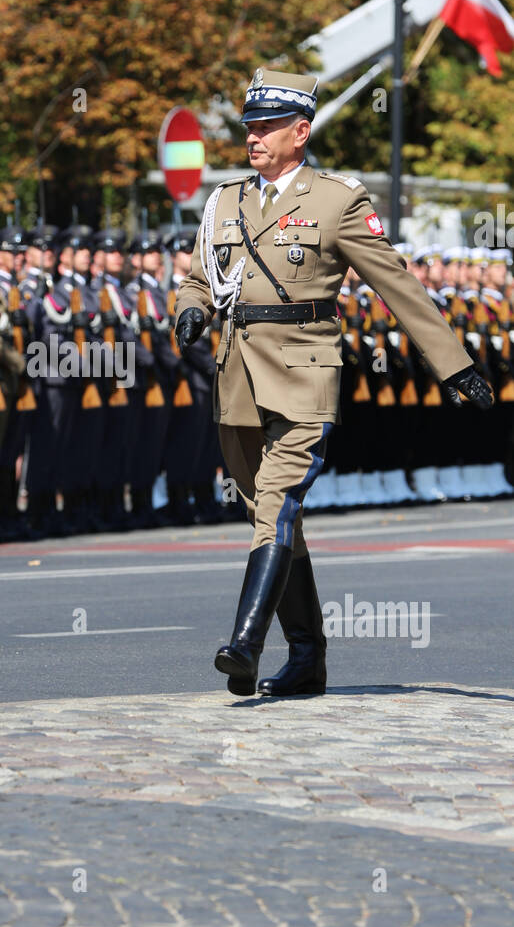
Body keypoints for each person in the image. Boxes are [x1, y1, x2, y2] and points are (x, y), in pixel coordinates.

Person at [175, 67, 492, 699]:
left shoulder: (337, 200)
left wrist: (452, 362)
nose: (254, 138)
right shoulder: (225, 200)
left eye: (267, 127)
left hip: (303, 374)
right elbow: (200, 275)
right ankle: (308, 658)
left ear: (301, 132)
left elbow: (395, 282)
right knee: (267, 512)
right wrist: (191, 306)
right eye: (250, 127)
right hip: (236, 376)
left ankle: (245, 642)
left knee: (276, 505)